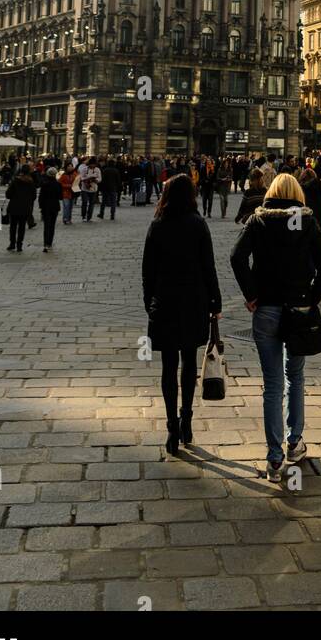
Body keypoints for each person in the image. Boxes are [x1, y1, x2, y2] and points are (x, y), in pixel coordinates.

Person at [231, 173, 321, 480]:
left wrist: (251, 294)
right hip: (298, 309)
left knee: (272, 384)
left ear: (271, 193)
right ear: (298, 194)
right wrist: (312, 298)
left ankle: (274, 460)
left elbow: (237, 257)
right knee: (295, 376)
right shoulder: (307, 221)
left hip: (266, 309)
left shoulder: (258, 220)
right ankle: (294, 443)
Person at [142, 174, 221, 456]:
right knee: (189, 362)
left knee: (168, 366)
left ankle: (171, 427)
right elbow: (208, 266)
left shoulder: (157, 225)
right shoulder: (198, 224)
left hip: (164, 302)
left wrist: (148, 302)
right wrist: (216, 302)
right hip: (193, 301)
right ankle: (187, 418)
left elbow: (147, 270)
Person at [5, 165, 36, 252]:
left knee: (13, 226)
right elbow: (33, 196)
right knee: (22, 227)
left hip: (14, 206)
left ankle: (12, 244)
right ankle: (19, 245)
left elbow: (8, 195)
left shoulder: (15, 181)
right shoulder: (31, 182)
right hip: (25, 207)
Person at [38, 167, 62, 252]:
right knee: (52, 226)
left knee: (46, 226)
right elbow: (60, 197)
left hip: (45, 207)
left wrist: (40, 206)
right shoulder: (58, 184)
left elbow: (41, 197)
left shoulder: (44, 184)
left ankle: (45, 244)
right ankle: (50, 243)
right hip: (55, 207)